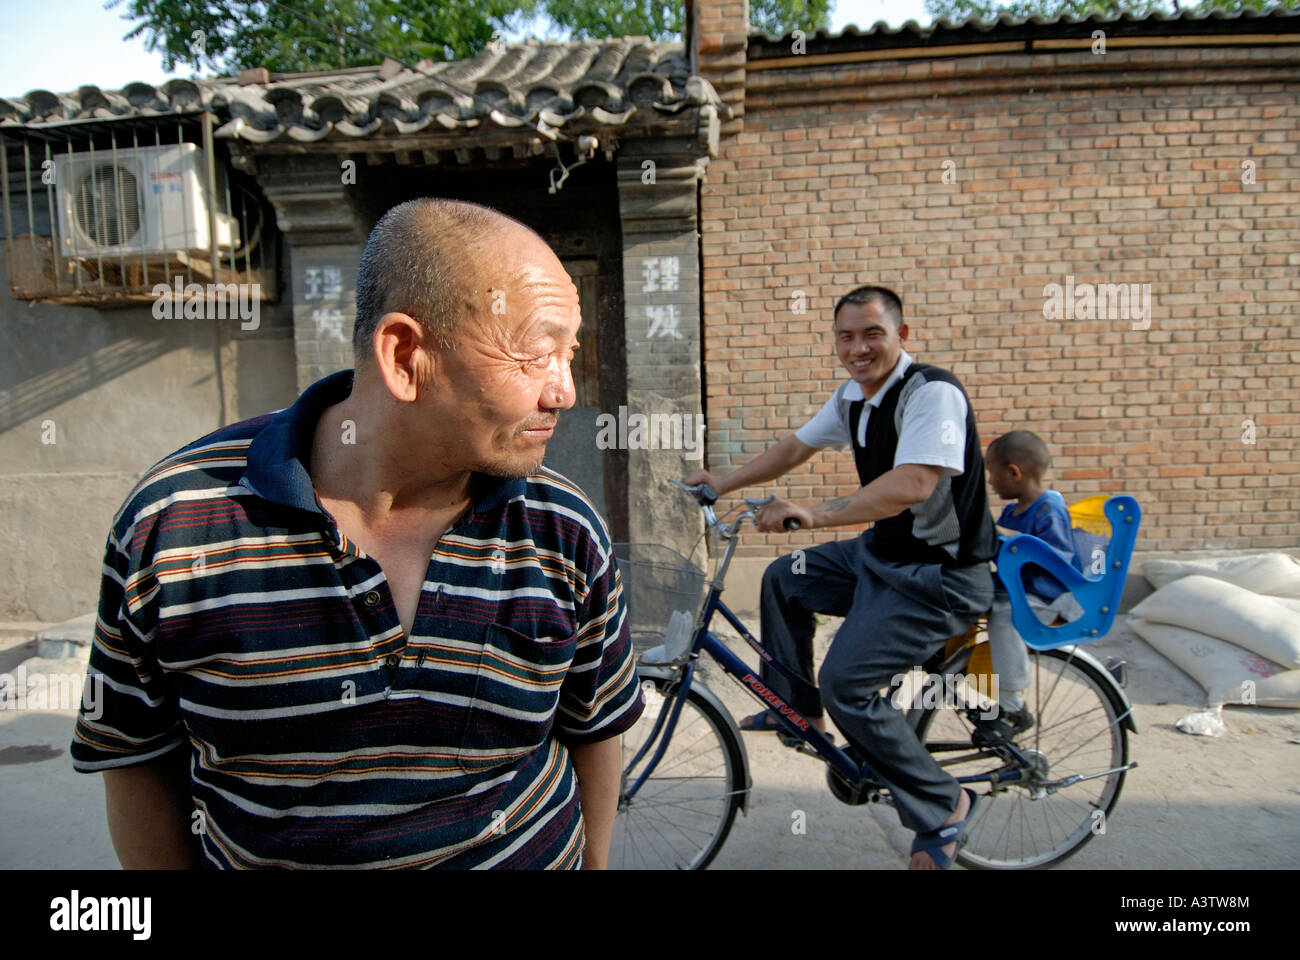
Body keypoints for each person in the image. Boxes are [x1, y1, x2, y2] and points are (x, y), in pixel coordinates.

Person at [70, 198, 644, 869]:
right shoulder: (176, 524)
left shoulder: (561, 527)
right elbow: (136, 756)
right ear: (404, 356)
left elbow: (594, 726)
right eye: (537, 353)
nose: (564, 391)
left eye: (568, 353)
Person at [685, 285, 998, 870]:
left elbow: (914, 483)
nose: (859, 348)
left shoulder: (932, 394)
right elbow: (794, 448)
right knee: (786, 578)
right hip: (880, 555)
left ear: (901, 337)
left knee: (848, 683)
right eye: (847, 336)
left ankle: (944, 804)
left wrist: (818, 516)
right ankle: (796, 709)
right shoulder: (854, 398)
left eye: (873, 334)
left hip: (940, 576)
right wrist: (721, 483)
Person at [977, 430, 1085, 745]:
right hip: (1022, 591)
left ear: (1014, 472)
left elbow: (1058, 556)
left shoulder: (1048, 507)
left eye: (992, 474)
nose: (991, 482)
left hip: (1051, 597)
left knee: (1004, 616)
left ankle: (1012, 705)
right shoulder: (1013, 511)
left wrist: (1009, 538)